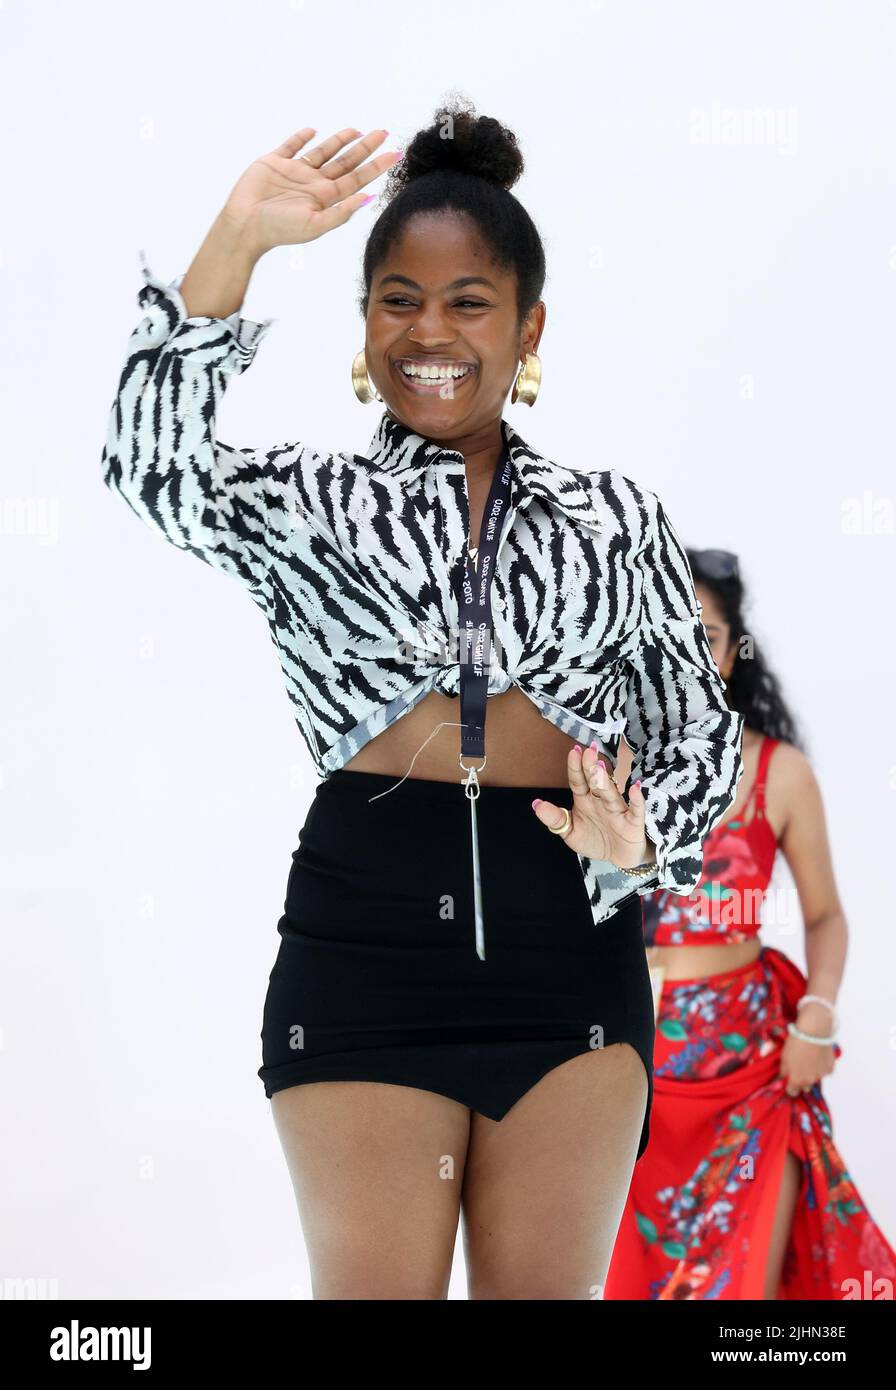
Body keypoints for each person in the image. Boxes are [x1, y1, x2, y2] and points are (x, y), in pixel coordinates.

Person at [100, 101, 743, 1300]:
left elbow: (699, 733)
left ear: (527, 325)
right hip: (363, 947)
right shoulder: (310, 502)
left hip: (571, 957)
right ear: (361, 324)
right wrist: (234, 240)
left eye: (467, 302)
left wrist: (643, 831)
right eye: (398, 298)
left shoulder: (614, 516)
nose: (429, 331)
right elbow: (150, 464)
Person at [604, 548, 896, 1300]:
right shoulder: (601, 770)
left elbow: (826, 915)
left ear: (737, 650)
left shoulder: (778, 772)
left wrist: (818, 1019)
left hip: (751, 1077)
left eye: (706, 634)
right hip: (628, 1077)